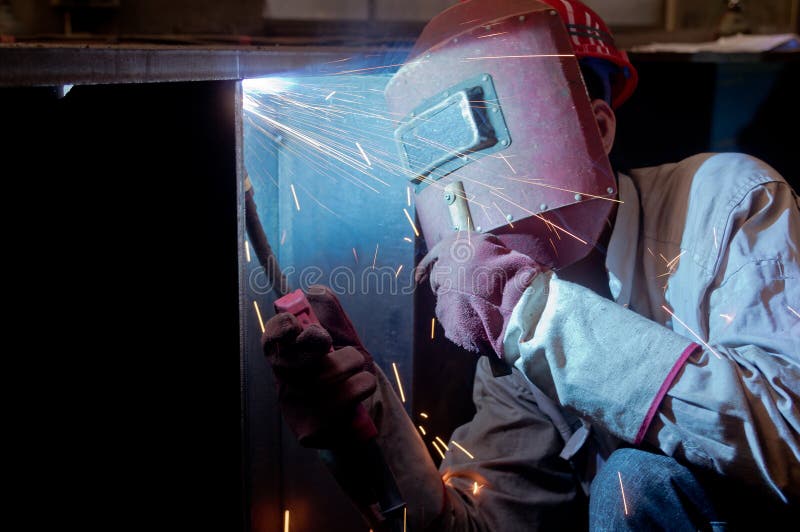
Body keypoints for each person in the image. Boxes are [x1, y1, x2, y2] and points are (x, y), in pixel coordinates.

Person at [262, 0, 800, 530]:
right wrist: (359, 431)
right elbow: (476, 524)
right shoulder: (513, 332)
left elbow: (789, 445)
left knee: (635, 482)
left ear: (599, 129)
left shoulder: (725, 202)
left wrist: (533, 317)